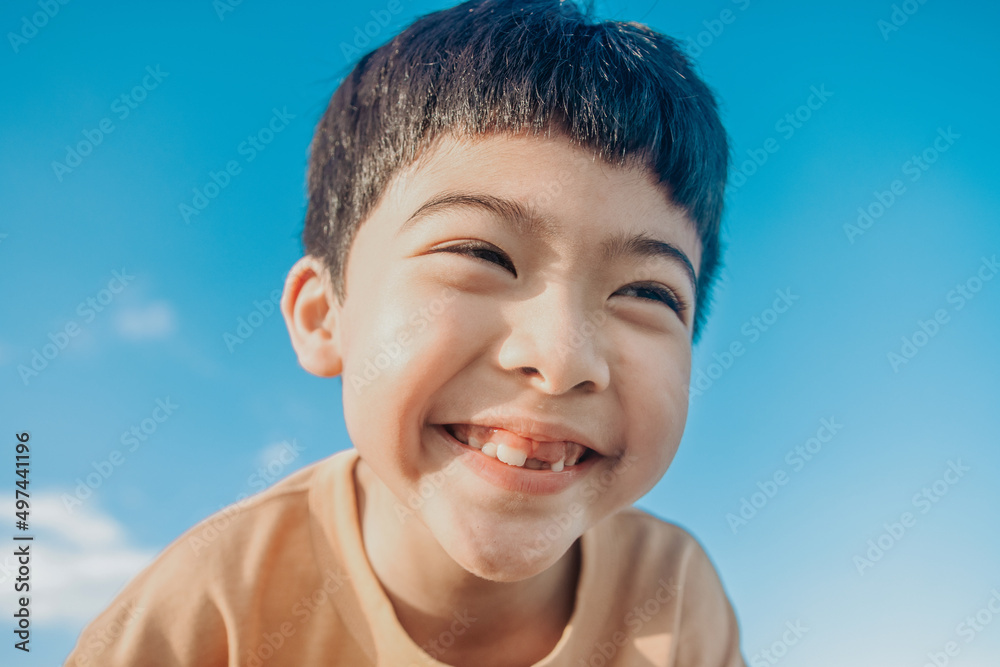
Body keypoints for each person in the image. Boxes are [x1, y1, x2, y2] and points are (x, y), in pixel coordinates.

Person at [66, 0, 744, 664]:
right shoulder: (207, 616)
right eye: (480, 254)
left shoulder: (674, 595)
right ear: (323, 314)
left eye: (647, 292)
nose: (561, 357)